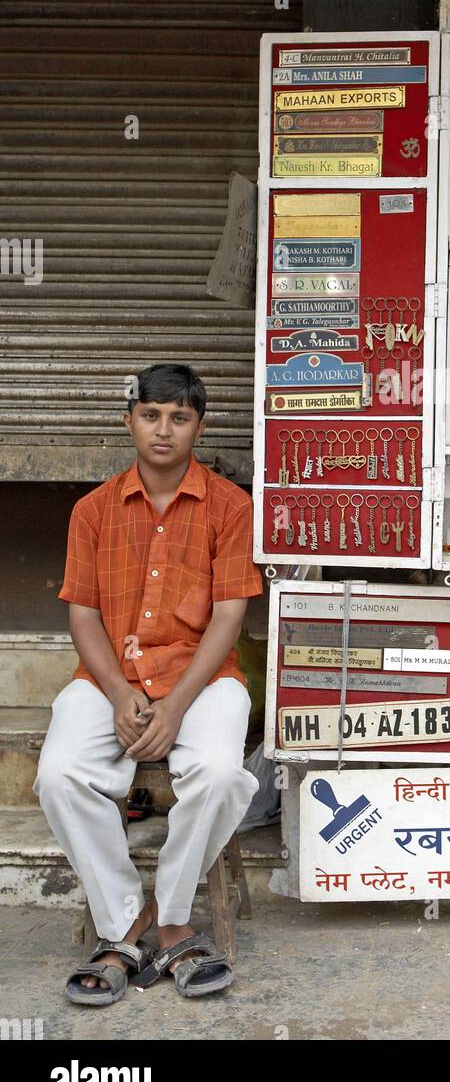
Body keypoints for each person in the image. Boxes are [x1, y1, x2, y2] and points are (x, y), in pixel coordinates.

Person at [34, 364, 263, 1003]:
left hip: (203, 678)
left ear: (199, 426)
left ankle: (170, 917)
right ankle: (125, 923)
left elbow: (228, 615)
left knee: (218, 774)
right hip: (111, 675)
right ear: (130, 421)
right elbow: (82, 612)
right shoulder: (92, 510)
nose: (164, 430)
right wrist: (117, 693)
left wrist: (175, 706)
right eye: (151, 415)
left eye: (179, 418)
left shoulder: (230, 506)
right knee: (58, 774)